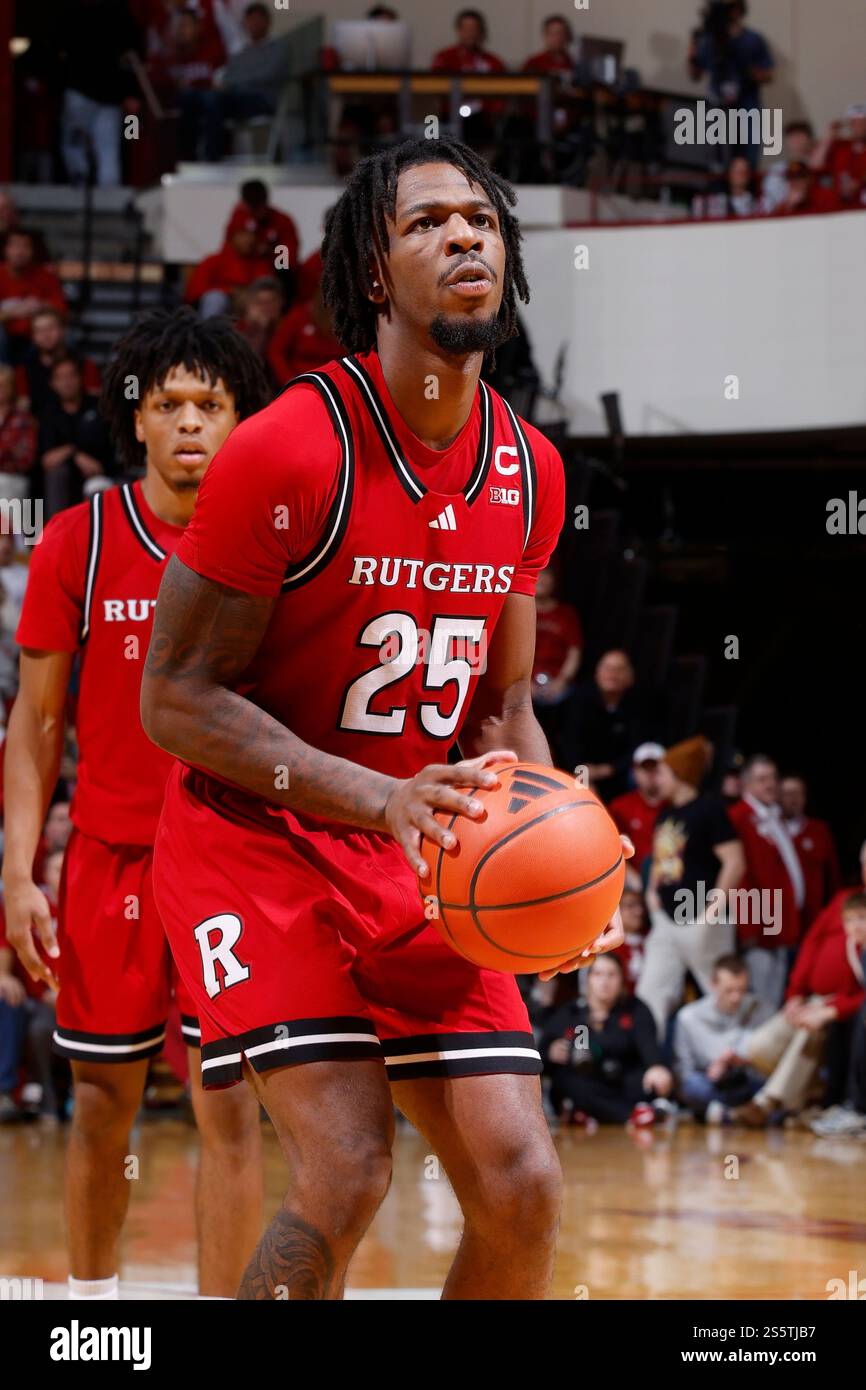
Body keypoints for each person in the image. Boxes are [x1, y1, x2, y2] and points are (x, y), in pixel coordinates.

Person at [140, 137, 632, 1301]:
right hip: (251, 844)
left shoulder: (530, 469)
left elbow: (505, 706)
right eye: (426, 223)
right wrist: (378, 797)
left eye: (480, 219)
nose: (465, 236)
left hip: (419, 846)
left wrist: (561, 842)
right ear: (371, 266)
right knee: (351, 1160)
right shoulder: (285, 449)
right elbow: (174, 695)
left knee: (520, 1184)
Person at [3, 308, 270, 1299]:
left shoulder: (275, 548)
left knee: (230, 1108)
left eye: (213, 403)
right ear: (138, 421)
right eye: (171, 405)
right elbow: (33, 728)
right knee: (101, 1102)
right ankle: (93, 1311)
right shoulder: (78, 539)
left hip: (233, 863)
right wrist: (18, 872)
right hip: (111, 858)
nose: (193, 423)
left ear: (243, 419)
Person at [637, 736, 745, 1040]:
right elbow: (662, 858)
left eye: (663, 772)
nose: (657, 779)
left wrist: (711, 913)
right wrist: (651, 895)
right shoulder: (665, 813)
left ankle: (732, 1065)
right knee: (650, 996)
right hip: (666, 921)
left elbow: (735, 862)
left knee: (723, 995)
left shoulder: (710, 810)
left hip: (702, 920)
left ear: (679, 774)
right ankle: (651, 1072)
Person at [729, 892, 866, 1127]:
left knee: (808, 1030)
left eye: (861, 919)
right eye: (849, 920)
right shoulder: (844, 906)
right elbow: (811, 943)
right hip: (813, 1000)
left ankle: (766, 1103)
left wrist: (831, 1010)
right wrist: (795, 995)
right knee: (759, 1047)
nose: (854, 926)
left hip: (835, 1007)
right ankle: (808, 1097)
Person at [541, 954, 673, 1126]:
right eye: (598, 974)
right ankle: (633, 1114)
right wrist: (551, 1052)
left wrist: (656, 1067)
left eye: (611, 975)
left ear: (621, 980)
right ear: (588, 980)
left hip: (622, 1081)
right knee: (567, 1082)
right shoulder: (570, 1012)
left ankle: (587, 1114)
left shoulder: (636, 1009)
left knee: (651, 1081)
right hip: (585, 1083)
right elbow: (541, 1054)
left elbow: (649, 1047)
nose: (605, 982)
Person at [729, 755, 803, 1009]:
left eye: (772, 778)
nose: (770, 784)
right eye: (762, 779)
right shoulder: (738, 817)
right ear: (747, 784)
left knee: (775, 998)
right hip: (760, 929)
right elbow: (739, 876)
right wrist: (748, 926)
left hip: (782, 925)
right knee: (761, 1001)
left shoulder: (774, 816)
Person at [673, 953, 770, 1122]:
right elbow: (684, 1071)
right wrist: (713, 1070)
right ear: (713, 985)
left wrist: (744, 1061)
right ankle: (739, 1115)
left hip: (748, 1082)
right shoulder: (689, 1017)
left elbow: (771, 1064)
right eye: (729, 990)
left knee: (776, 1091)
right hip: (712, 1085)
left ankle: (726, 1115)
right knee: (693, 1087)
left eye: (742, 990)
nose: (736, 997)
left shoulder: (760, 1010)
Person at [59, 0, 142, 187]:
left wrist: (132, 93)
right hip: (85, 95)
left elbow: (131, 56)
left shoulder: (118, 13)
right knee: (95, 147)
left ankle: (94, 191)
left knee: (104, 146)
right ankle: (93, 190)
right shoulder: (74, 12)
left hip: (101, 97)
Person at [687, 0, 774, 167]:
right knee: (717, 162)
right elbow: (695, 74)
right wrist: (692, 52)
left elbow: (768, 75)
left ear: (738, 10)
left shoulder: (753, 39)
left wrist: (747, 68)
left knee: (747, 162)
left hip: (747, 109)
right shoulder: (708, 39)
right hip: (717, 108)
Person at [563, 649, 652, 801]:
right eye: (608, 668)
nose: (613, 674)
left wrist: (609, 769)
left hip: (618, 774)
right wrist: (584, 774)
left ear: (630, 677)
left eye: (619, 669)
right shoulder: (580, 701)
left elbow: (638, 747)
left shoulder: (639, 707)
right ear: (597, 673)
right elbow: (569, 744)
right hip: (581, 770)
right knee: (582, 795)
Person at [38, 357, 114, 518]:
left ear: (80, 378)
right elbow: (48, 460)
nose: (67, 382)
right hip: (64, 481)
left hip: (99, 477)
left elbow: (104, 459)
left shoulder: (99, 408)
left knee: (98, 488)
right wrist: (74, 453)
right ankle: (57, 535)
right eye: (61, 377)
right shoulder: (48, 413)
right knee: (56, 473)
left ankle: (98, 540)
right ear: (53, 383)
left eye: (71, 376)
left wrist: (68, 452)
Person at [779, 775, 840, 929]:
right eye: (787, 793)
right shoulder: (770, 833)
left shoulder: (819, 830)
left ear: (804, 798)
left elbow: (832, 875)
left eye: (797, 793)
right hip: (778, 920)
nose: (793, 799)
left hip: (813, 920)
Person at [15, 308, 101, 415]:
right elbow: (22, 409)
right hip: (41, 427)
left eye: (50, 328)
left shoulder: (85, 365)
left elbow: (96, 406)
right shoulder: (24, 368)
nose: (46, 335)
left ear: (63, 330)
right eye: (39, 330)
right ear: (32, 336)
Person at [0, 231, 68, 365]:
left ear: (33, 250)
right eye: (15, 246)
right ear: (5, 250)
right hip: (6, 335)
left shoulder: (46, 276)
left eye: (25, 246)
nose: (20, 252)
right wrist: (13, 312)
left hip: (35, 335)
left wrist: (41, 306)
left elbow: (63, 313)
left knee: (61, 334)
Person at [609, 742, 667, 888]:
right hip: (633, 884)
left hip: (670, 885)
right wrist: (635, 882)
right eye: (645, 768)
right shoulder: (620, 807)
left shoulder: (677, 805)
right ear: (634, 771)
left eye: (655, 768)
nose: (651, 774)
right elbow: (611, 850)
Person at [185, 226, 274, 319]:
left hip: (250, 312)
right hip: (221, 309)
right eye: (243, 234)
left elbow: (269, 291)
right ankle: (208, 332)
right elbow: (194, 292)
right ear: (232, 236)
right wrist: (230, 291)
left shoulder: (261, 263)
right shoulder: (213, 261)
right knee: (215, 298)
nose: (249, 239)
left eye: (252, 235)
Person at [266, 283, 343, 388]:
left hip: (337, 382)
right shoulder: (299, 316)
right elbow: (276, 351)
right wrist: (288, 380)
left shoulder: (345, 320)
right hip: (300, 382)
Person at [812, 104, 866, 208]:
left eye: (863, 122)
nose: (859, 127)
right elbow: (815, 164)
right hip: (841, 207)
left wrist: (859, 182)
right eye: (854, 123)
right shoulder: (841, 147)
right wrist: (830, 135)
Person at [0, 364, 37, 505]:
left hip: (13, 478)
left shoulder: (23, 419)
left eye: (3, 385)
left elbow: (26, 458)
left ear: (11, 388)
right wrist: (7, 451)